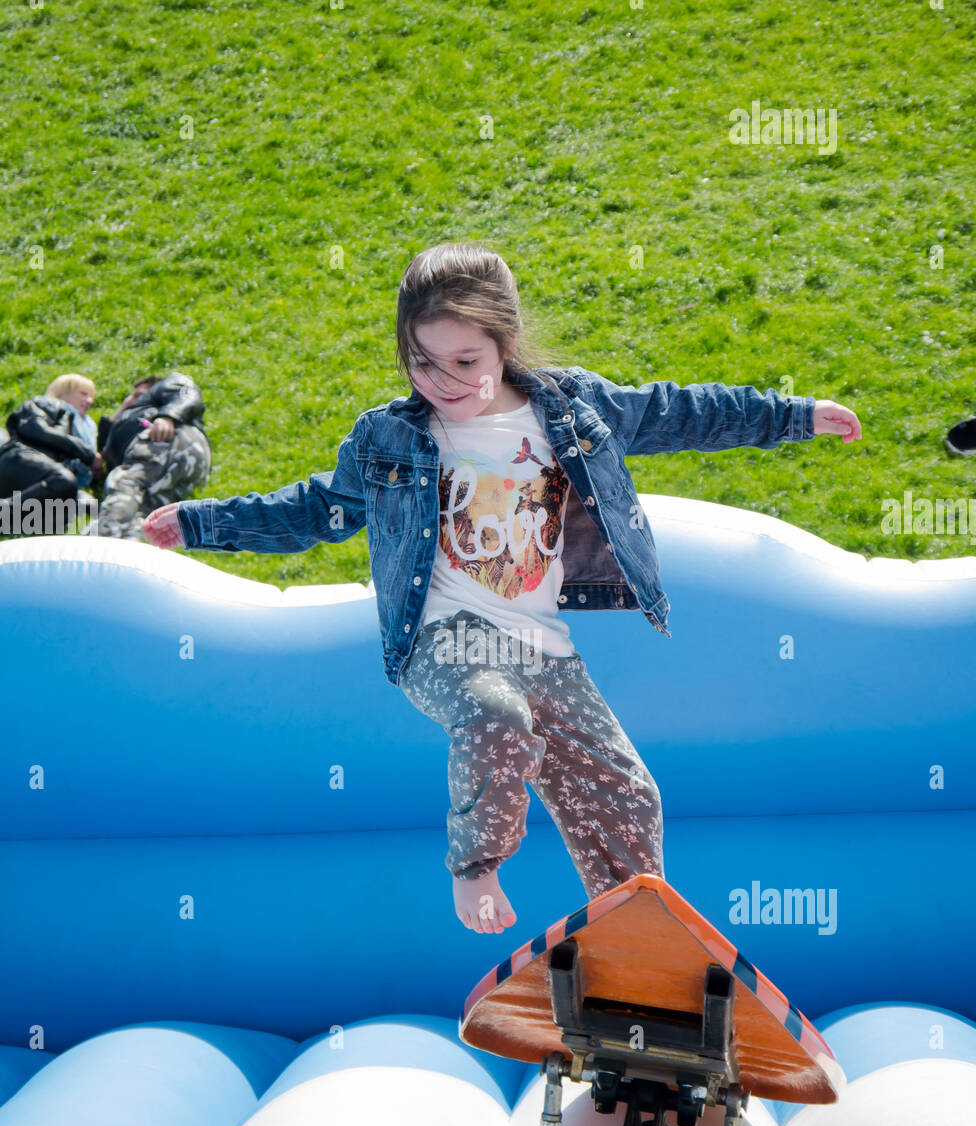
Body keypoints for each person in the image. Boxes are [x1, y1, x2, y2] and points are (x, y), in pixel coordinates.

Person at [142, 241, 861, 935]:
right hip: (442, 640)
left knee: (626, 792)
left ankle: (636, 946)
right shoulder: (386, 441)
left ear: (506, 343)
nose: (444, 383)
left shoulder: (574, 410)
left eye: (466, 362)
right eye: (423, 362)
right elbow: (313, 511)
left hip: (540, 645)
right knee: (496, 718)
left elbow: (684, 413)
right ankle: (475, 869)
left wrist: (794, 416)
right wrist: (204, 523)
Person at [82, 371, 210, 540]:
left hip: (169, 439)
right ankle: (127, 550)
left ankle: (101, 539)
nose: (129, 400)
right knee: (147, 512)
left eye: (138, 395)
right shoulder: (120, 430)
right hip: (185, 464)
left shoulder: (168, 385)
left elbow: (186, 391)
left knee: (126, 481)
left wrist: (167, 416)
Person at [0, 374, 100, 524]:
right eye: (84, 394)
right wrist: (87, 454)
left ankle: (7, 520)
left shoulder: (81, 425)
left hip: (38, 481)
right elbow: (34, 428)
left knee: (85, 506)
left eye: (91, 397)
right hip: (19, 458)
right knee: (64, 480)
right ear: (63, 392)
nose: (89, 401)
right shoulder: (48, 403)